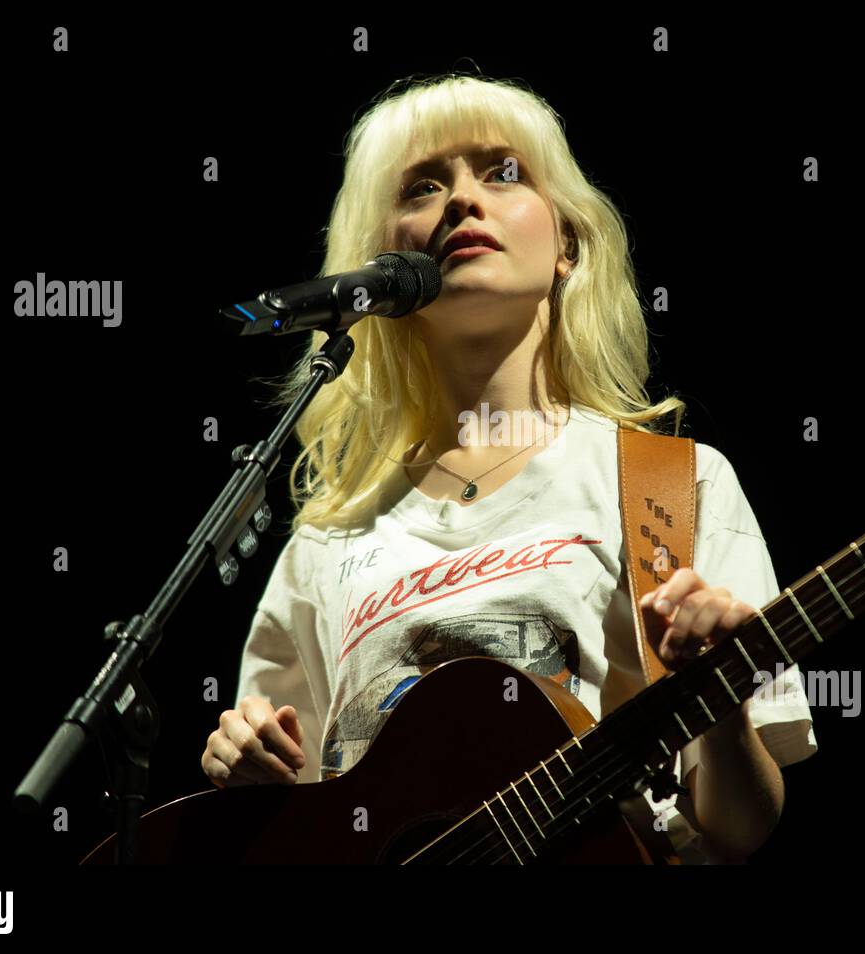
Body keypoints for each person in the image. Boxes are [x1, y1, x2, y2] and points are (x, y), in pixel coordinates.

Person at [200, 72, 818, 864]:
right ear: (379, 265)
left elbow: (738, 828)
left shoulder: (669, 484)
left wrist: (725, 701)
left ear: (566, 244)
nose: (463, 200)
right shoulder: (326, 540)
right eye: (423, 186)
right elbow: (301, 824)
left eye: (503, 172)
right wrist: (246, 766)